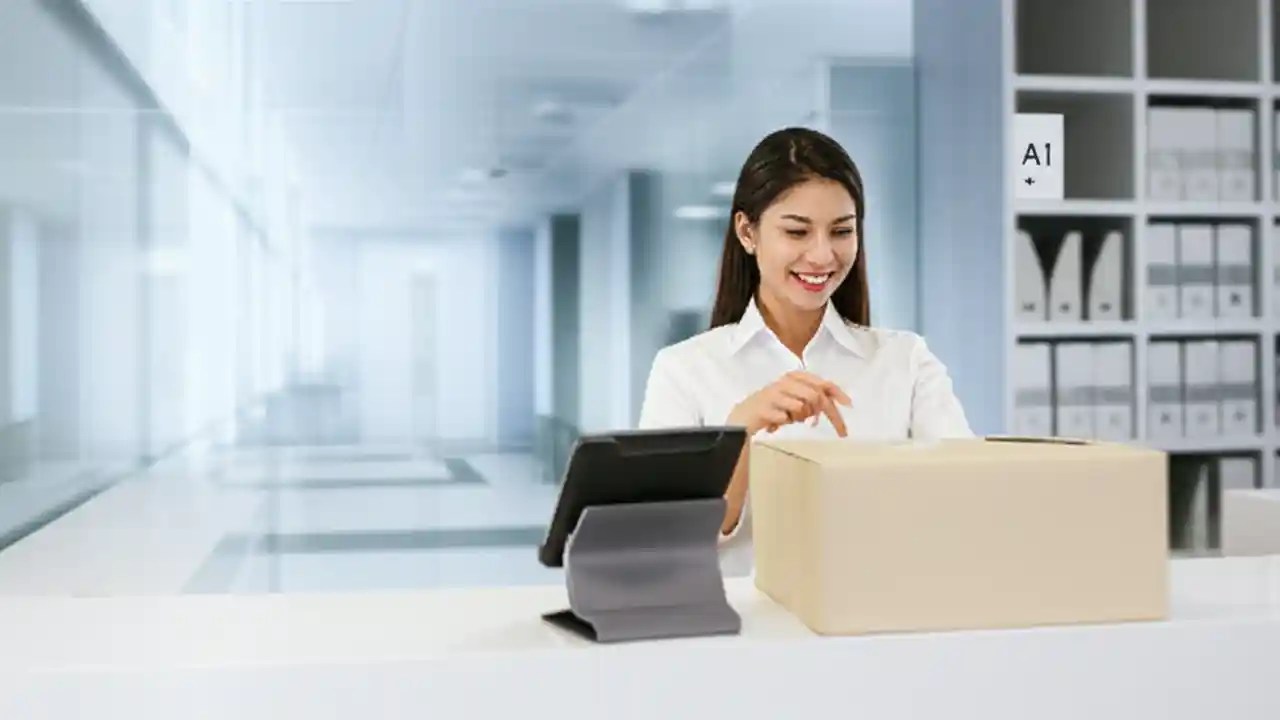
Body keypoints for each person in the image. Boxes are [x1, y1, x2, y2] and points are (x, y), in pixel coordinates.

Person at [637, 127, 973, 575]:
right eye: (797, 232)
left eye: (841, 231)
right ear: (747, 231)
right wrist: (736, 433)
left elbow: (968, 499)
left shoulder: (905, 360)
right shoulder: (682, 370)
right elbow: (662, 547)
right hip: (745, 635)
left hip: (881, 625)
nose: (822, 255)